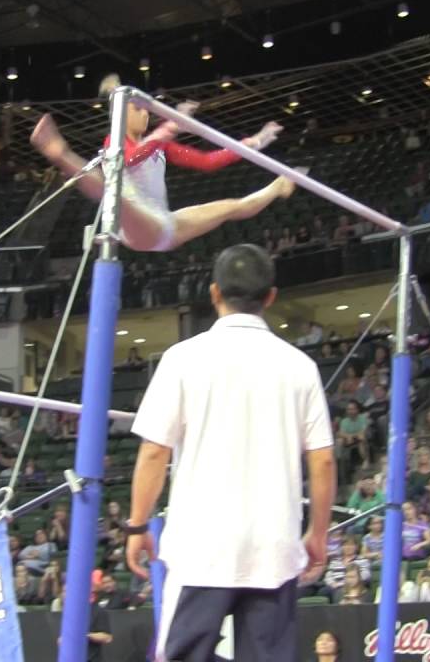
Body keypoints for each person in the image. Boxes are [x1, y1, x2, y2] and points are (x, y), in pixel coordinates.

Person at [124, 244, 335, 662]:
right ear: (271, 297)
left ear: (214, 292)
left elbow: (153, 452)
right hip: (273, 546)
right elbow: (323, 460)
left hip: (203, 547)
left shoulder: (183, 359)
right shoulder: (300, 366)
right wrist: (319, 532)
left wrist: (137, 526)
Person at [29, 92, 292, 252]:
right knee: (113, 195)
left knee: (231, 207)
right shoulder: (114, 143)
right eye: (138, 109)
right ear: (119, 115)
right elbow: (131, 159)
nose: (144, 114)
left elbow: (207, 161)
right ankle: (61, 154)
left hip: (165, 225)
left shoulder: (158, 144)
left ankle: (278, 187)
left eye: (146, 110)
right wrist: (171, 126)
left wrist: (256, 142)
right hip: (136, 225)